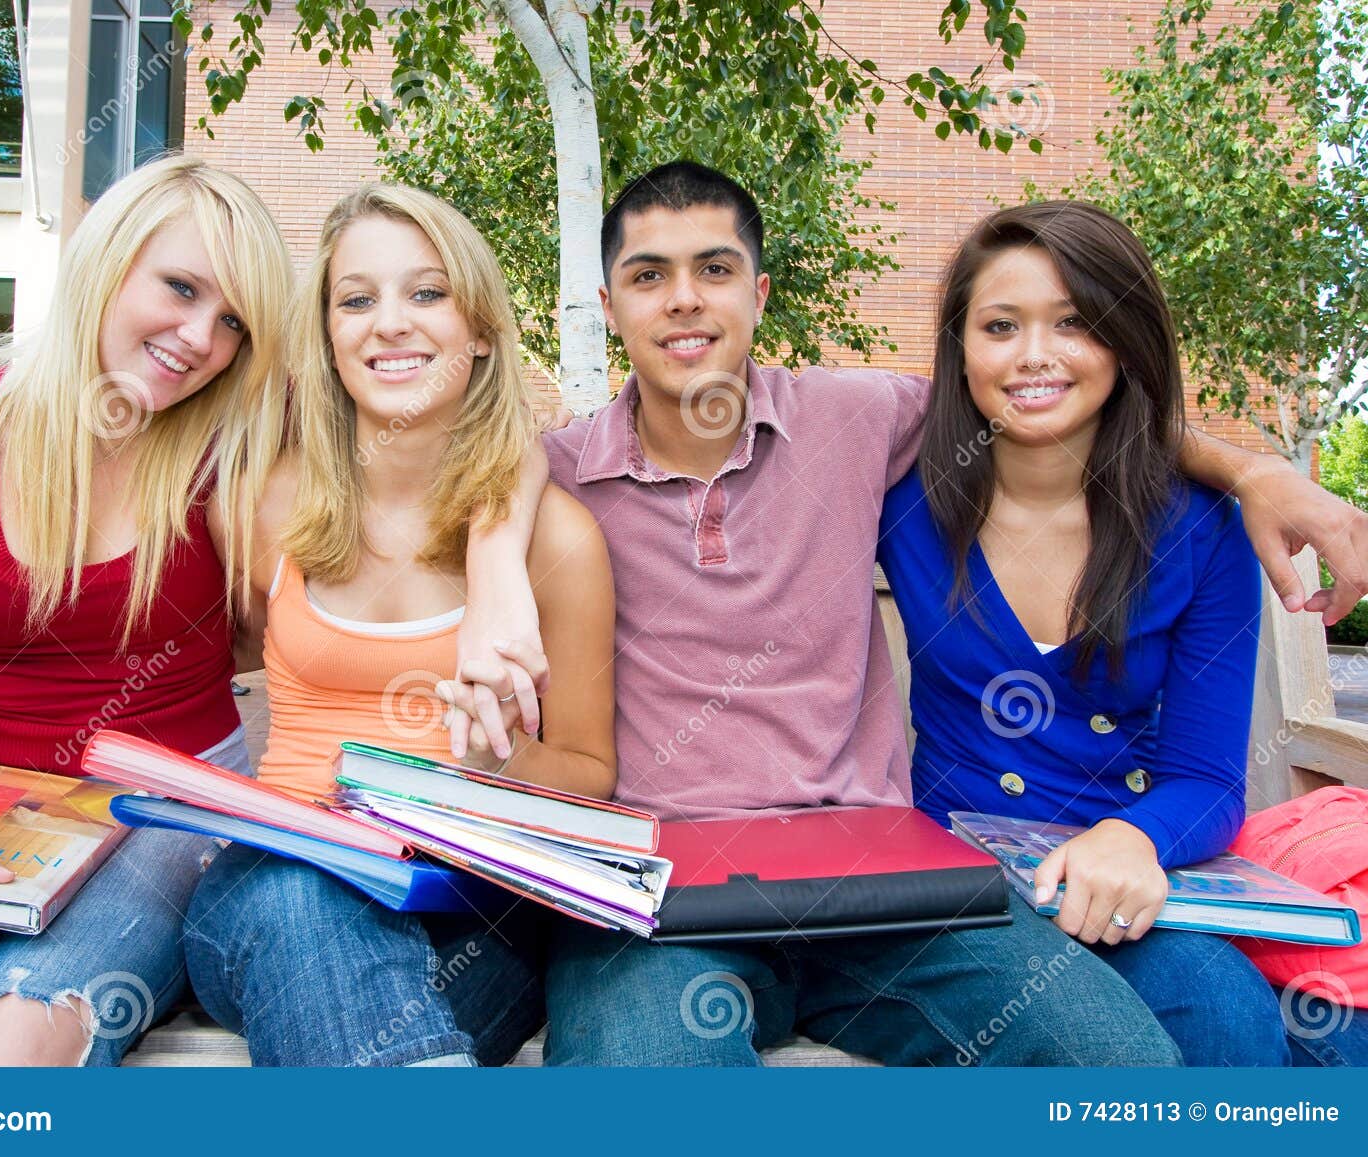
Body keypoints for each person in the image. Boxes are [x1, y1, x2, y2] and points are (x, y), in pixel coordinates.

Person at [445, 160, 1368, 1066]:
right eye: (650, 276)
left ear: (759, 295)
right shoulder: (560, 471)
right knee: (647, 1075)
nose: (684, 299)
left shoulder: (857, 420)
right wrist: (492, 568)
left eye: (715, 269)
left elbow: (1054, 399)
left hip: (883, 887)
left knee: (1113, 1054)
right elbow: (497, 464)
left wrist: (1254, 471)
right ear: (610, 309)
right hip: (657, 899)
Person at [0, 156, 543, 1067]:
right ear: (108, 259)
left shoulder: (245, 441)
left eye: (232, 323)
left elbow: (474, 424)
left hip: (162, 821)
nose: (198, 339)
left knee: (5, 1046)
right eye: (178, 288)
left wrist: (497, 571)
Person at [878, 199, 1362, 1067]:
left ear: (1124, 340)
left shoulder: (1200, 529)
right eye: (1000, 325)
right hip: (961, 884)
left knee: (1228, 1018)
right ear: (961, 348)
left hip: (1131, 873)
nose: (1034, 355)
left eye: (1075, 323)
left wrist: (1135, 838)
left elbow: (1209, 779)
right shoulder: (899, 500)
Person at [181, 183, 617, 1067]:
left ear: (480, 329)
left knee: (369, 986)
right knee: (308, 906)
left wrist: (502, 763)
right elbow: (208, 659)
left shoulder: (557, 540)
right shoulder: (268, 504)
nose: (390, 323)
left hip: (465, 904)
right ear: (329, 335)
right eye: (357, 299)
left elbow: (591, 774)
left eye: (427, 293)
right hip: (276, 882)